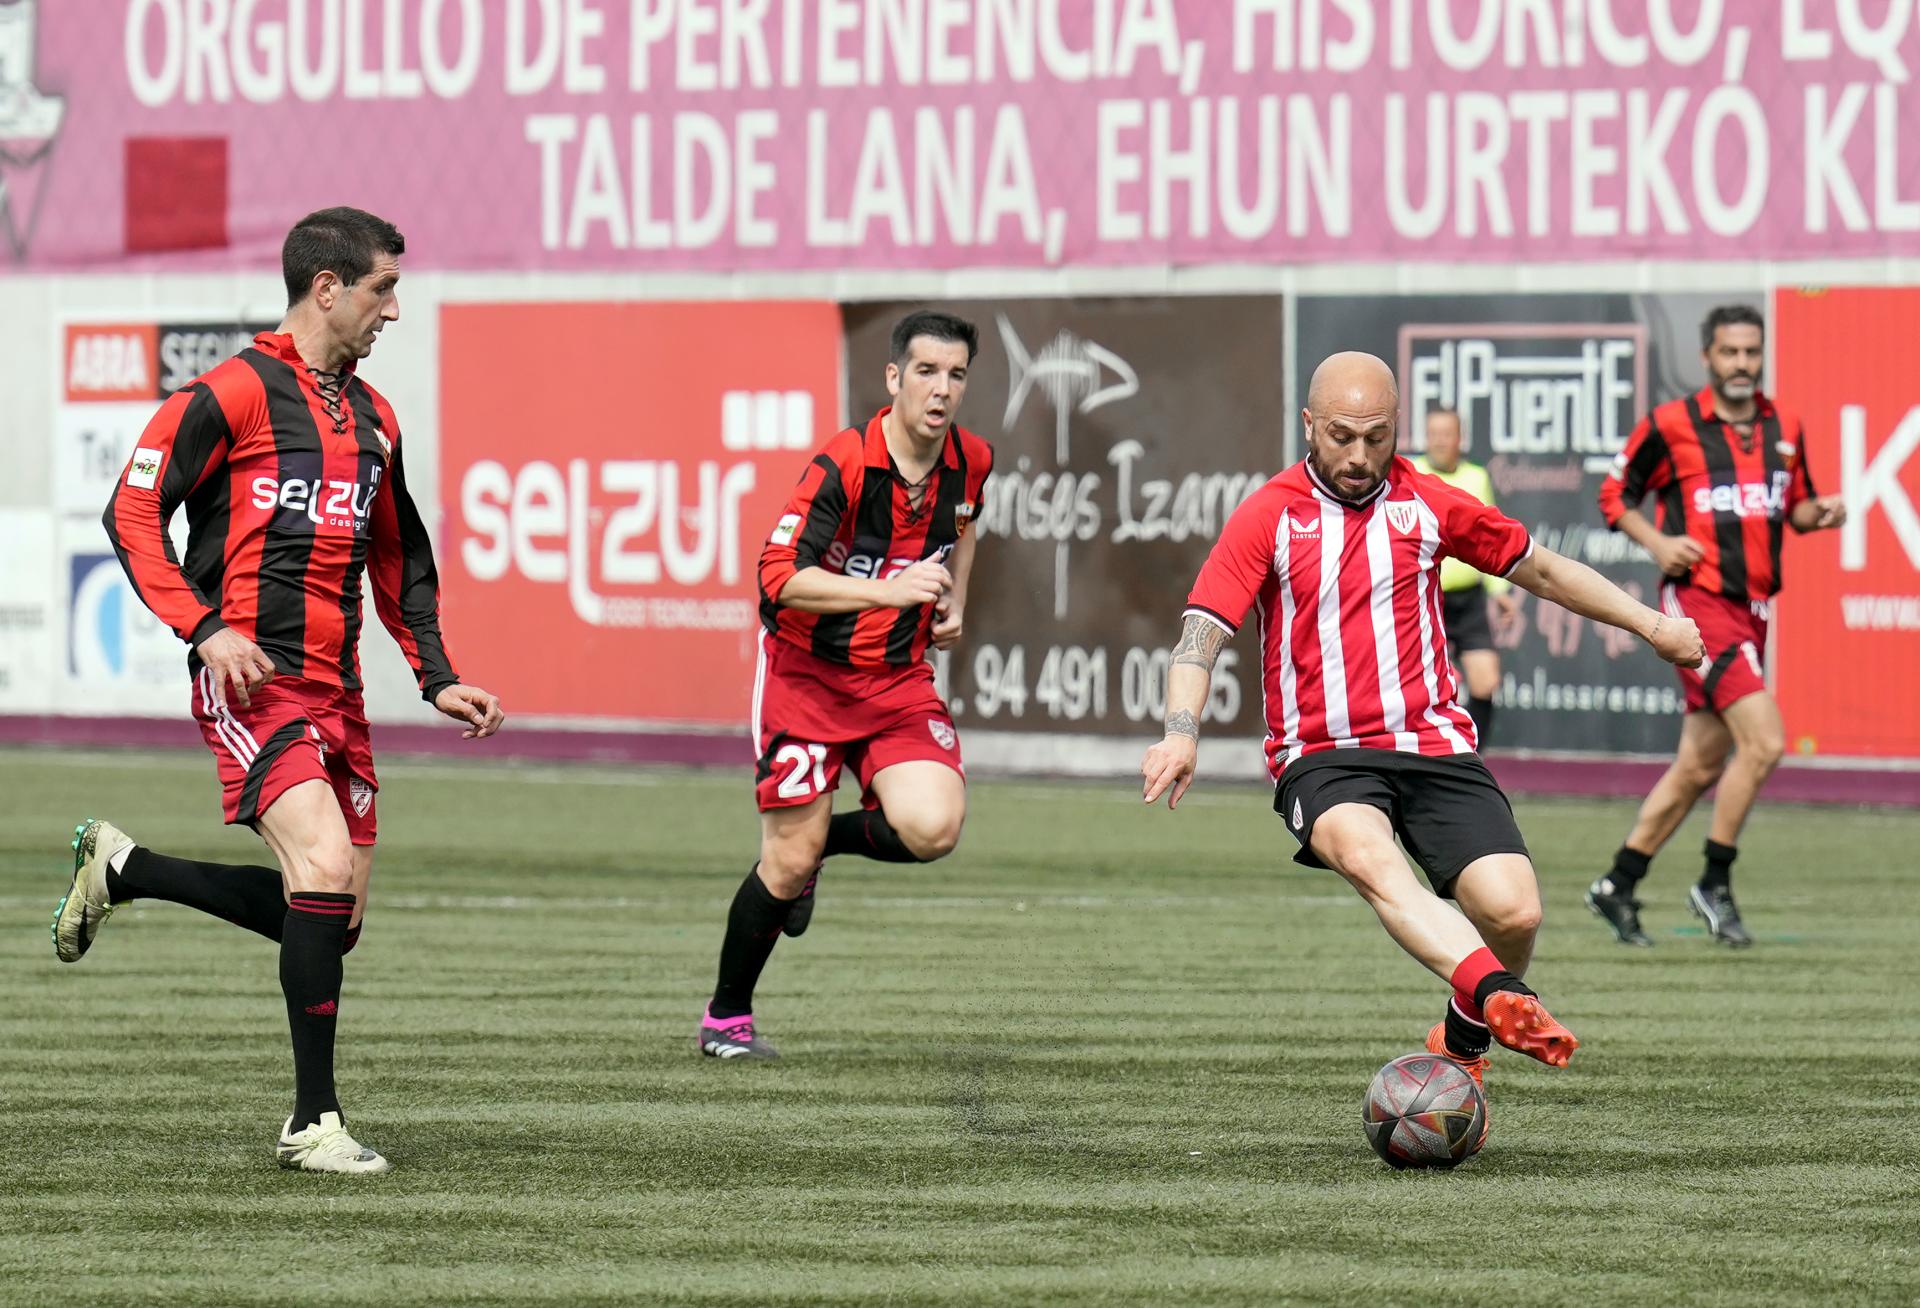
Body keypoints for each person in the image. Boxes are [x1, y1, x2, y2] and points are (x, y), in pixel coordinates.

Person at [52, 207, 505, 1174]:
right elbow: (131, 511)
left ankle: (125, 871)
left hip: (338, 694)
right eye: (383, 287)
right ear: (328, 286)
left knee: (332, 921)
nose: (394, 308)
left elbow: (399, 555)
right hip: (254, 683)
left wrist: (437, 674)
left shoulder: (374, 417)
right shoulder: (231, 394)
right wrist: (206, 628)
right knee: (324, 872)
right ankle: (314, 1122)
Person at [1140, 352, 1704, 1116]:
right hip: (1323, 756)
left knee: (1515, 912)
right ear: (1309, 426)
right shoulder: (1269, 513)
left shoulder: (1430, 503)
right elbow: (1198, 636)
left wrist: (1653, 624)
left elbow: (1543, 571)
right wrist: (1181, 730)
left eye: (1376, 437)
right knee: (1373, 861)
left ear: (1395, 428)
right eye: (1341, 436)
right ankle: (1500, 994)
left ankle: (1461, 1042)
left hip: (1433, 744)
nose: (1359, 455)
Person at [698, 310, 994, 1060]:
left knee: (934, 828)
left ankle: (824, 841)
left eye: (956, 375)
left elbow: (966, 527)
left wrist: (954, 598)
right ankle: (725, 1020)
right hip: (806, 675)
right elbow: (776, 583)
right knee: (784, 862)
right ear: (893, 378)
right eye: (925, 372)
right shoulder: (844, 465)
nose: (941, 389)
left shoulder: (973, 461)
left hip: (896, 679)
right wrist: (891, 595)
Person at [1587, 305, 1846, 948]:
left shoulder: (1784, 426)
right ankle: (1715, 881)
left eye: (1752, 353)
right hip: (1698, 605)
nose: (1742, 365)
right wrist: (1657, 542)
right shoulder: (1673, 425)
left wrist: (1824, 512)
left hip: (1753, 610)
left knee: (1700, 765)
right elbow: (1614, 495)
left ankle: (1617, 882)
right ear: (1707, 356)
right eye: (1730, 353)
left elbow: (1797, 510)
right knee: (1763, 743)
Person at [1412, 407, 1521, 745]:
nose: (1440, 441)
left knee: (1486, 681)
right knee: (1418, 689)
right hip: (1424, 599)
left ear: (1460, 438)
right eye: (1434, 434)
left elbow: (1489, 540)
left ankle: (1473, 759)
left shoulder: (1476, 478)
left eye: (1447, 434)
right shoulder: (1411, 473)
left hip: (1469, 600)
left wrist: (1499, 590)